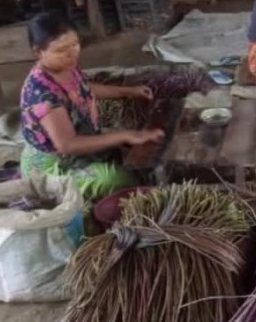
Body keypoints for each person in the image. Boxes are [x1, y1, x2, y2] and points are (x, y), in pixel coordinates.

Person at [19, 12, 164, 200]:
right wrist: (126, 134)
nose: (72, 53)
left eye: (75, 44)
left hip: (74, 145)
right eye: (61, 49)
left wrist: (128, 91)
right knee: (115, 179)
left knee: (126, 151)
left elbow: (83, 89)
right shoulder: (41, 95)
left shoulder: (65, 68)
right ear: (38, 52)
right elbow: (67, 145)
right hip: (53, 166)